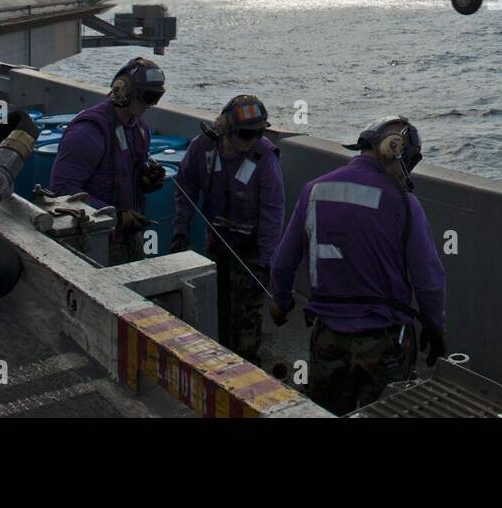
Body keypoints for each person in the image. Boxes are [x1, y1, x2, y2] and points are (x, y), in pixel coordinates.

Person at [268, 116, 447, 415]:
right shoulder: (403, 202)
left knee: (327, 411)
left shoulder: (313, 191)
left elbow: (283, 262)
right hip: (384, 344)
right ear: (395, 151)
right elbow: (428, 278)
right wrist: (435, 326)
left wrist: (281, 302)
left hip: (328, 340)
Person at [172, 94, 285, 363]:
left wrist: (267, 263)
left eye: (258, 134)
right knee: (219, 308)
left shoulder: (264, 160)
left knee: (246, 317)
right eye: (246, 135)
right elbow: (185, 185)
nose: (251, 141)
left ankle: (246, 364)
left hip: (252, 251)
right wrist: (180, 230)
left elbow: (273, 213)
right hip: (219, 244)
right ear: (226, 130)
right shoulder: (203, 148)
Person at [48, 57, 168, 265]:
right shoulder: (88, 133)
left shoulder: (139, 129)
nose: (150, 105)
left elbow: (122, 176)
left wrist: (144, 182)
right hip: (95, 242)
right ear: (123, 90)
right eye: (147, 97)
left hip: (130, 238)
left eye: (156, 98)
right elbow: (61, 189)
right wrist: (114, 217)